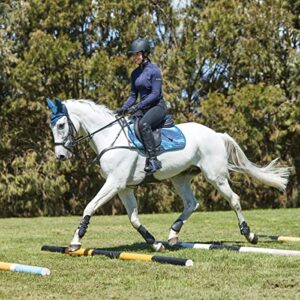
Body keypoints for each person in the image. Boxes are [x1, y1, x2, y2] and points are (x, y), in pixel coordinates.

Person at [116, 37, 167, 174]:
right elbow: (133, 95)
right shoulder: (135, 74)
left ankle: (153, 160)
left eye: (137, 54)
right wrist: (123, 108)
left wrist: (138, 106)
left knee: (144, 124)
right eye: (134, 55)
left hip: (157, 107)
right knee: (128, 124)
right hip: (143, 108)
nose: (135, 57)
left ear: (145, 54)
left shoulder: (154, 71)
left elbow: (155, 94)